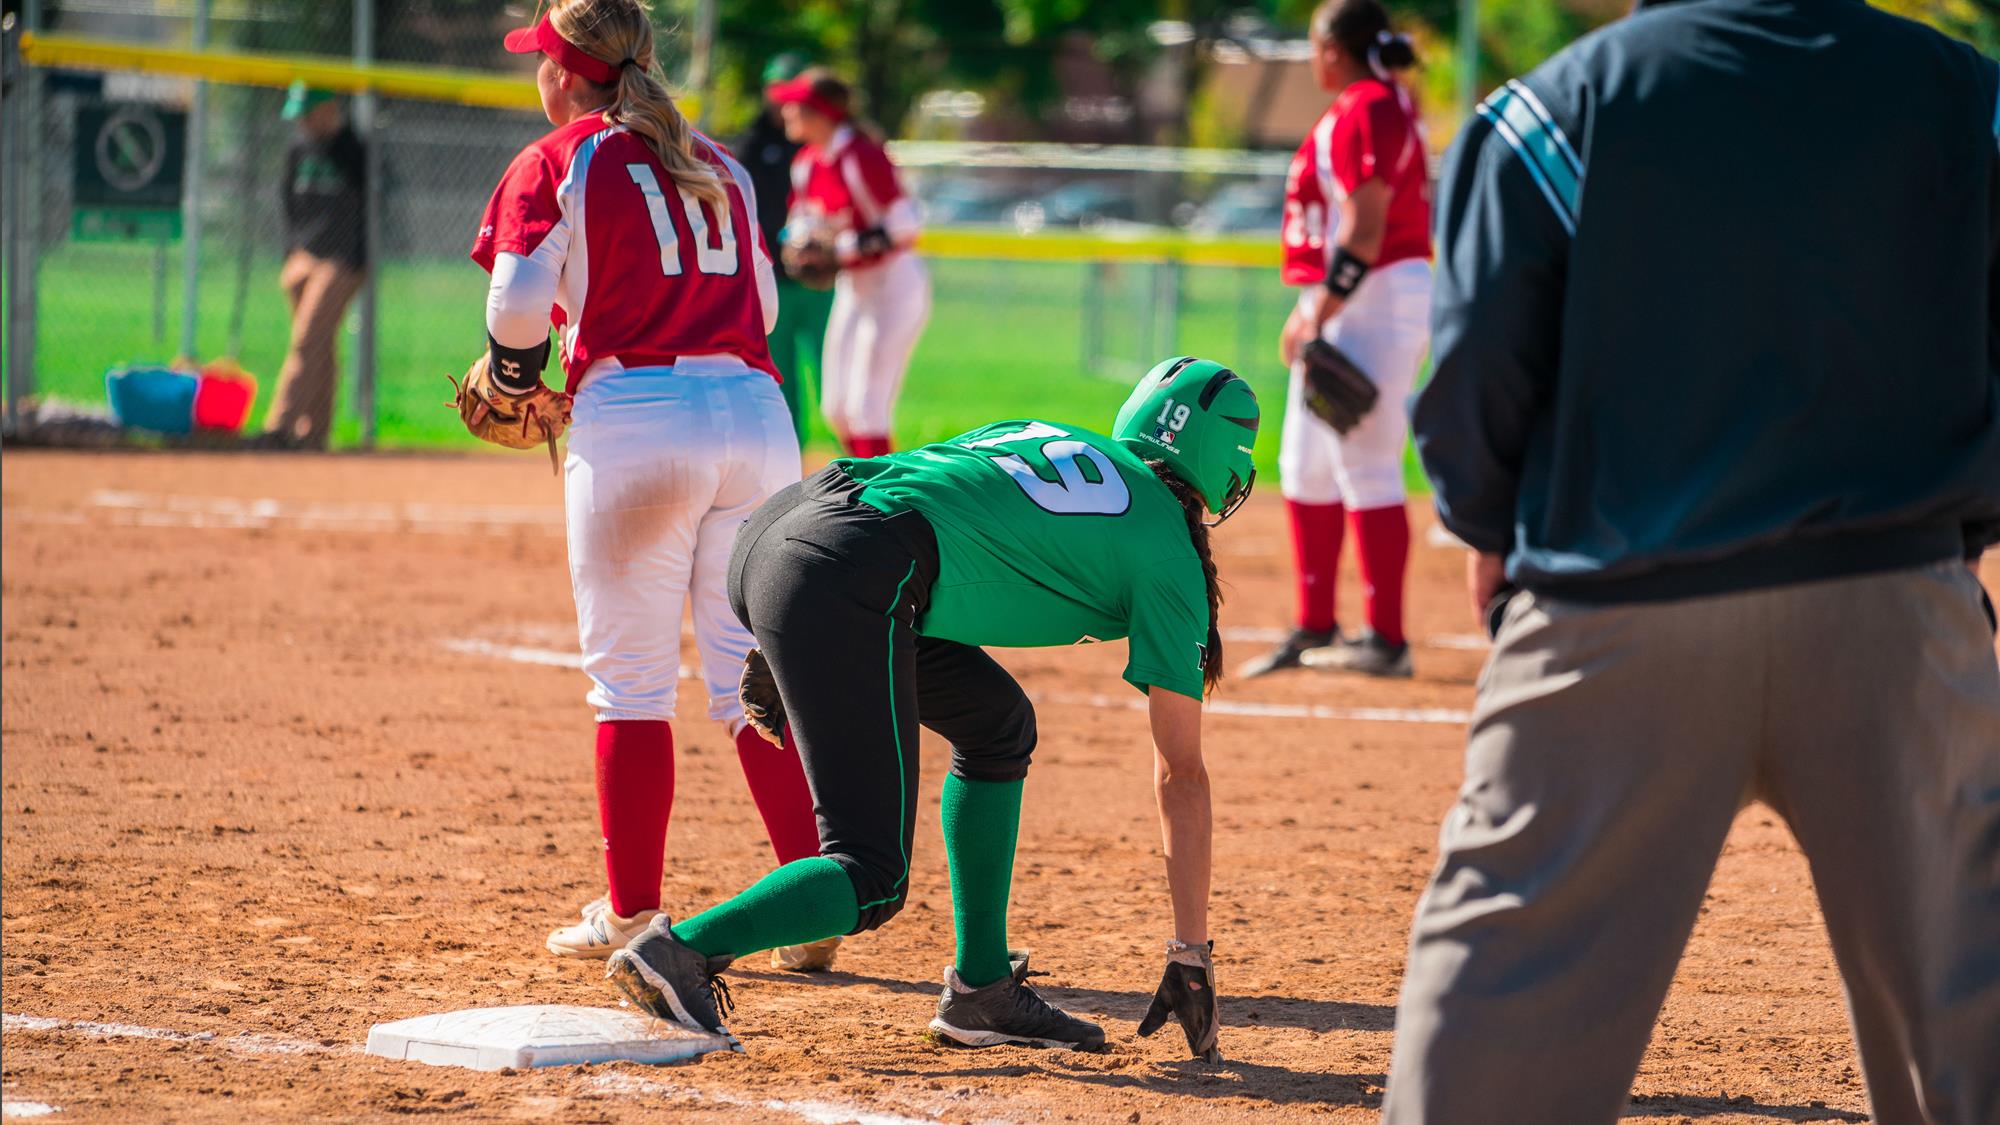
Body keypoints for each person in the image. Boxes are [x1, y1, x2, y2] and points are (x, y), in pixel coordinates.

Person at [1388, 2, 2000, 1122]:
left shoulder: (1548, 109)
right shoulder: (1967, 96)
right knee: (1973, 1025)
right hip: (1899, 599)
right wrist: (1952, 529)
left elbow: (1477, 373)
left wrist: (1491, 525)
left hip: (1609, 606)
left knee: (1498, 1026)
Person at [605, 357, 1257, 1058]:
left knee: (997, 724)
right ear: (1224, 461)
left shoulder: (1051, 434)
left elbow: (938, 503)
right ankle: (679, 952)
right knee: (870, 875)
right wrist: (1191, 947)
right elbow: (1180, 773)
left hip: (790, 530)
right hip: (848, 570)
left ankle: (983, 989)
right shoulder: (1168, 553)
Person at [472, 0, 833, 973]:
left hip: (634, 416)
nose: (535, 79)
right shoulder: (712, 158)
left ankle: (633, 915)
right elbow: (757, 302)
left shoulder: (563, 157)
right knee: (746, 677)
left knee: (629, 685)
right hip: (755, 421)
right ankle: (810, 899)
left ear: (563, 70)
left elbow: (512, 304)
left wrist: (513, 374)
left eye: (538, 62)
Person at [1240, 0, 1432, 681]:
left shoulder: (1367, 104)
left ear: (1332, 50)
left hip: (1370, 296)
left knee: (1366, 461)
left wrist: (1317, 308)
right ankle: (1315, 623)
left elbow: (1366, 224)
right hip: (1359, 294)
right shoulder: (1374, 101)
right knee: (1306, 463)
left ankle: (1387, 639)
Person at [767, 69, 930, 459]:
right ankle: (863, 487)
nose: (786, 111)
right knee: (837, 407)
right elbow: (801, 221)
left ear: (820, 113)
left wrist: (840, 249)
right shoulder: (807, 162)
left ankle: (881, 500)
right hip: (855, 286)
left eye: (796, 105)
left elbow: (906, 223)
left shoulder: (859, 155)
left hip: (893, 283)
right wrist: (801, 244)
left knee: (866, 406)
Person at [733, 53, 833, 445]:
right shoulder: (754, 145)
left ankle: (860, 460)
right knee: (782, 380)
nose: (783, 101)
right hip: (774, 280)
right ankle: (794, 466)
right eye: (777, 91)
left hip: (822, 282)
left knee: (839, 378)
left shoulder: (820, 144)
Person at [263, 82, 366, 450]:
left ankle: (279, 427)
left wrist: (357, 257)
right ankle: (315, 433)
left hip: (342, 260)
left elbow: (372, 212)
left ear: (329, 107)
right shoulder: (299, 148)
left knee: (308, 339)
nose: (303, 121)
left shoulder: (355, 150)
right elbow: (288, 203)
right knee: (318, 343)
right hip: (304, 256)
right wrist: (292, 253)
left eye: (309, 112)